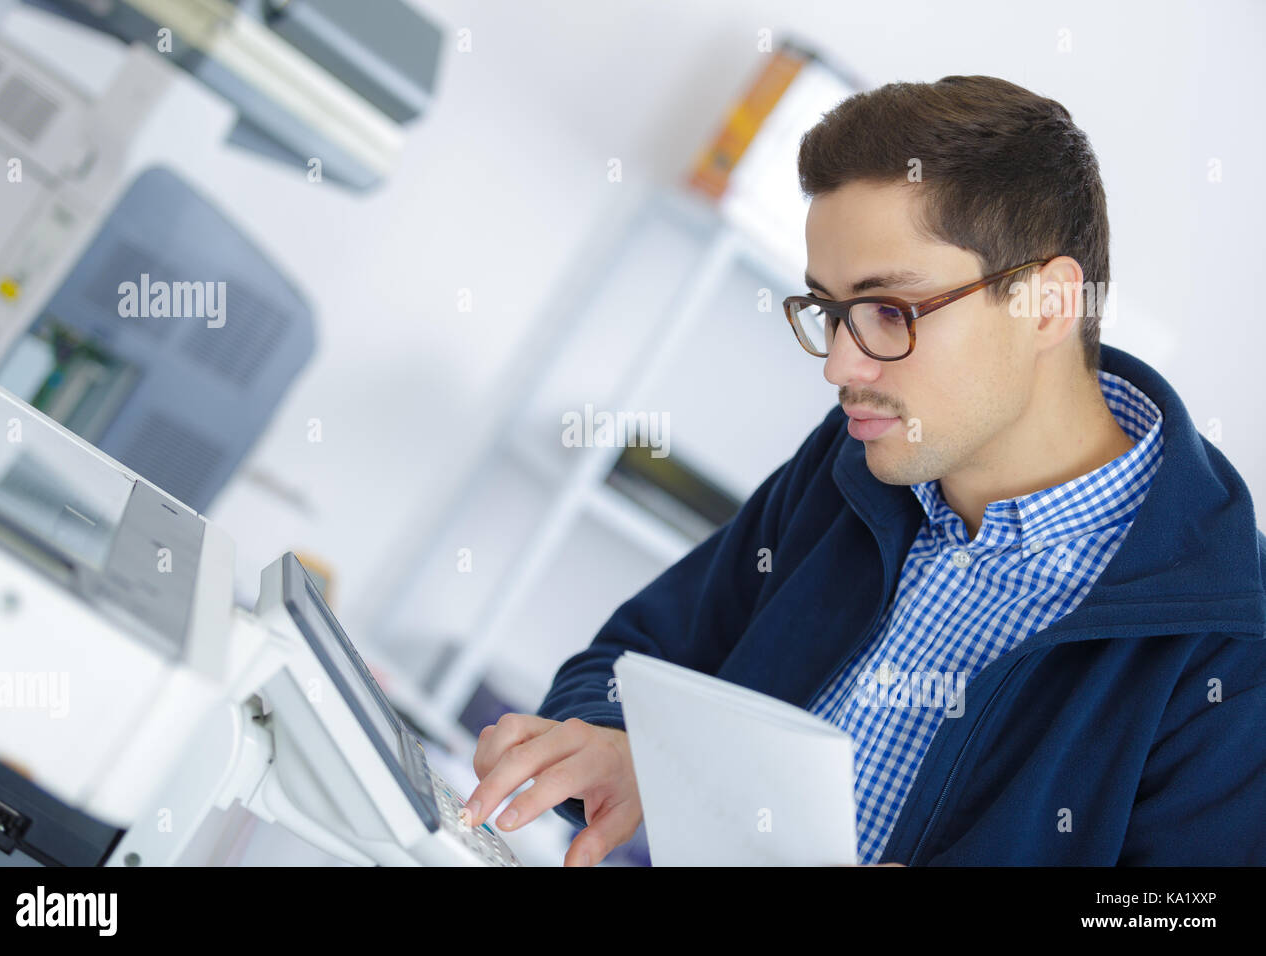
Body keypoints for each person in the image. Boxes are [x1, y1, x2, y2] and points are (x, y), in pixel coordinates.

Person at [462, 75, 1266, 866]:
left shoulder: (1232, 644)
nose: (840, 366)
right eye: (829, 310)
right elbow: (640, 656)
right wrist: (622, 745)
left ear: (1047, 305)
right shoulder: (852, 464)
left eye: (891, 311)